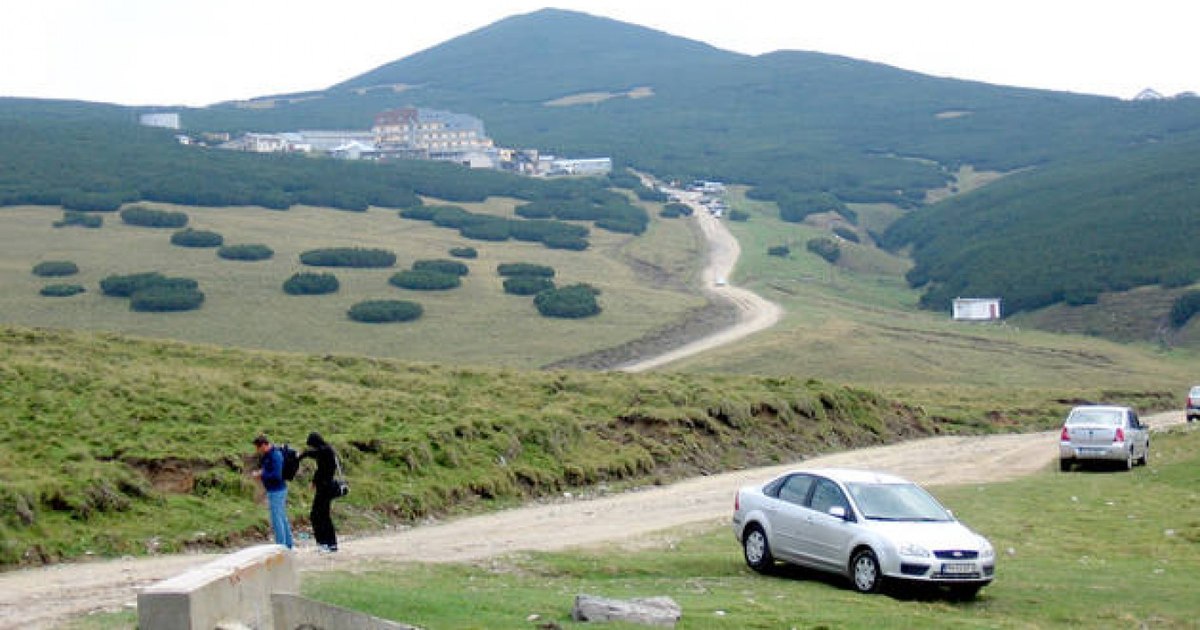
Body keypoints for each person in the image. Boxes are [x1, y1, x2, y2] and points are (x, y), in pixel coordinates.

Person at [299, 432, 339, 552]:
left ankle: (323, 543)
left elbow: (321, 469)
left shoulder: (324, 451)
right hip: (326, 487)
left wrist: (302, 455)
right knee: (324, 515)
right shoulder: (328, 450)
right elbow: (317, 459)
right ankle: (331, 543)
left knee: (316, 515)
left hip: (324, 488)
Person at [252, 434, 293, 549]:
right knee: (282, 516)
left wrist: (261, 474)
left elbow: (276, 475)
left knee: (276, 518)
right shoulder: (268, 455)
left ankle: (281, 546)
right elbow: (269, 470)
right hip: (275, 490)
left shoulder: (275, 455)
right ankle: (288, 544)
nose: (257, 451)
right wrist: (263, 472)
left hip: (277, 490)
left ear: (264, 445)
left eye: (258, 448)